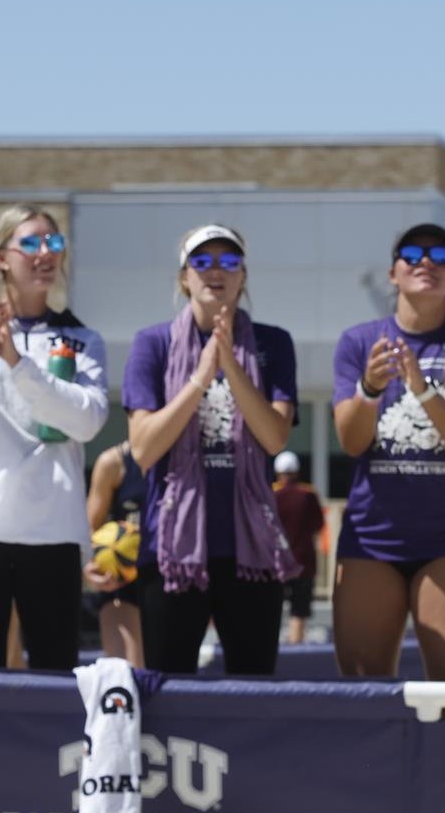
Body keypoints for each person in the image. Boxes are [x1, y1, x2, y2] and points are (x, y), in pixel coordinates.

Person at [0, 205, 108, 671]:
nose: (45, 253)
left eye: (53, 243)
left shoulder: (81, 338)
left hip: (53, 533)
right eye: (30, 243)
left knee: (54, 683)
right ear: (1, 257)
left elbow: (87, 421)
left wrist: (18, 363)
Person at [124, 225, 300, 675]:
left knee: (253, 688)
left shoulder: (272, 343)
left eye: (229, 261)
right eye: (202, 262)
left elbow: (275, 437)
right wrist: (201, 377)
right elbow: (144, 448)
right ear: (184, 278)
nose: (215, 272)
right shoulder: (153, 343)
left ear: (244, 276)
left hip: (249, 548)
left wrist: (233, 368)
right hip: (172, 550)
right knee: (168, 688)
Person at [331, 223, 445, 677]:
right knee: (363, 681)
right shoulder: (359, 342)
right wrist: (369, 387)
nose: (427, 262)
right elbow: (351, 441)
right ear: (393, 274)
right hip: (372, 538)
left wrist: (421, 389)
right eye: (413, 255)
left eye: (440, 255)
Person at [84, 440, 146, 667]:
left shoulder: (187, 456)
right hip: (122, 585)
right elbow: (90, 532)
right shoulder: (113, 462)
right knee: (125, 673)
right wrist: (91, 570)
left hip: (173, 580)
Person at [272, 450, 327, 646]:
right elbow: (318, 524)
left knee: (272, 607)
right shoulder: (307, 495)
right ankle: (296, 646)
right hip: (303, 559)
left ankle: (272, 646)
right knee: (299, 608)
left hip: (275, 561)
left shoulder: (272, 494)